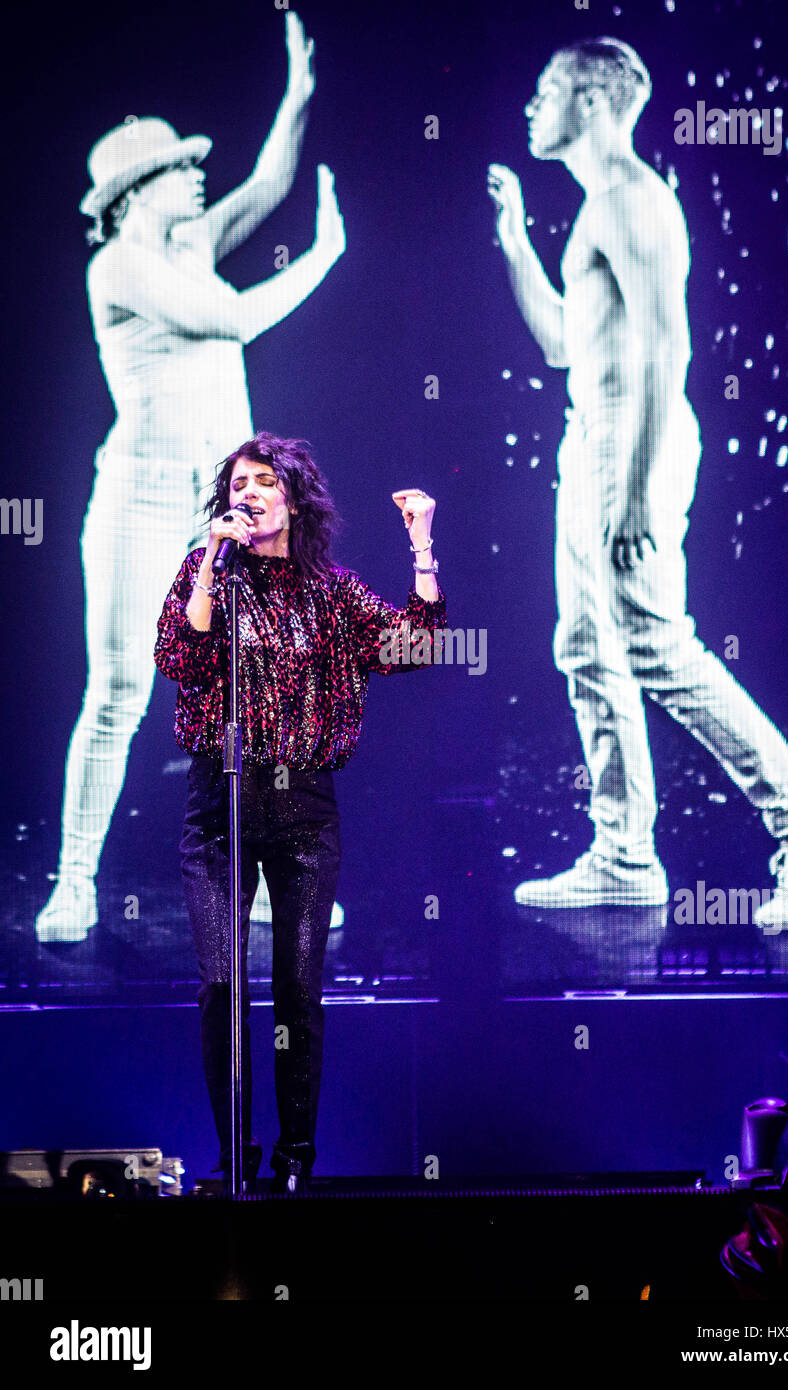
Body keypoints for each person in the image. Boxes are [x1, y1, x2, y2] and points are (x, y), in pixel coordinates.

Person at [488, 36, 788, 928]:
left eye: (545, 89)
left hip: (632, 446)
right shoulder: (592, 212)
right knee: (586, 650)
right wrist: (513, 245)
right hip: (592, 442)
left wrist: (636, 487)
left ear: (590, 99)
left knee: (657, 646)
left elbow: (668, 347)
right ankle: (622, 854)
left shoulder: (634, 202)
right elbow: (559, 346)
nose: (530, 107)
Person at [37, 12, 346, 942]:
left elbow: (268, 182)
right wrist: (328, 256)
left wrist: (295, 97)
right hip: (138, 504)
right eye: (179, 167)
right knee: (120, 690)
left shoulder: (185, 247)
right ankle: (73, 881)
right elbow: (236, 323)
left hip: (222, 513)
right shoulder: (121, 265)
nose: (196, 173)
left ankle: (267, 885)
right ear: (138, 192)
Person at [154, 431, 447, 1192]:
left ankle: (295, 1160)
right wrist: (210, 571)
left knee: (297, 990)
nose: (246, 494)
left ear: (294, 498)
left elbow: (411, 648)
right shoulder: (208, 574)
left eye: (263, 482)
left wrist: (421, 548)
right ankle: (234, 1159)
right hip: (218, 802)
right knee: (223, 985)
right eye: (237, 483)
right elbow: (177, 659)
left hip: (304, 811)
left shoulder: (331, 590)